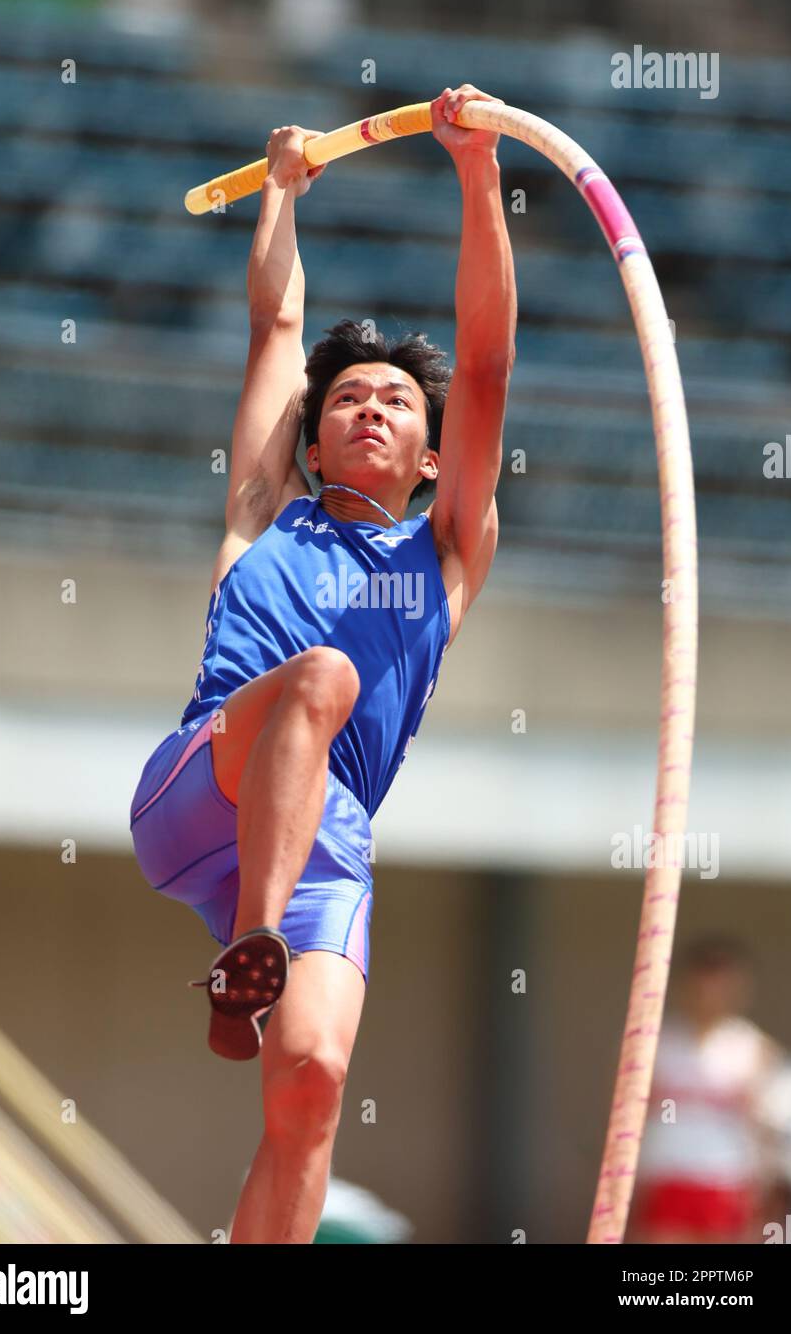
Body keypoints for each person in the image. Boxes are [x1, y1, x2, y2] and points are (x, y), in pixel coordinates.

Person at [129, 83, 516, 1243]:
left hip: (330, 838)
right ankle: (247, 955)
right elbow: (275, 331)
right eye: (345, 399)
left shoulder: (444, 548)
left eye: (394, 401)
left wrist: (473, 170)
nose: (366, 410)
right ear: (310, 436)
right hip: (206, 782)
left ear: (429, 451)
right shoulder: (263, 512)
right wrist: (282, 198)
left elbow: (487, 362)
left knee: (308, 1091)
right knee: (321, 679)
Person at [629, 936, 787, 1244]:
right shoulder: (652, 1045)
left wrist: (769, 1193)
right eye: (704, 982)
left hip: (727, 1181)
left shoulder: (754, 1049)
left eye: (721, 983)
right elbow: (626, 1122)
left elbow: (768, 1129)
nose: (711, 993)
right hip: (666, 1178)